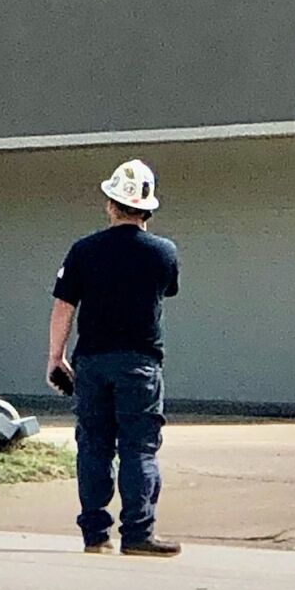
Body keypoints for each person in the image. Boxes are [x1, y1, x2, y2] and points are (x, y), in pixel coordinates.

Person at [47, 159, 181, 557]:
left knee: (94, 446)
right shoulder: (163, 253)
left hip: (91, 363)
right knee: (139, 448)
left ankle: (95, 535)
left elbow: (63, 306)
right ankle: (138, 534)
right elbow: (168, 290)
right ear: (148, 208)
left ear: (110, 204)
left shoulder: (83, 251)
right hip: (140, 364)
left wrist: (56, 357)